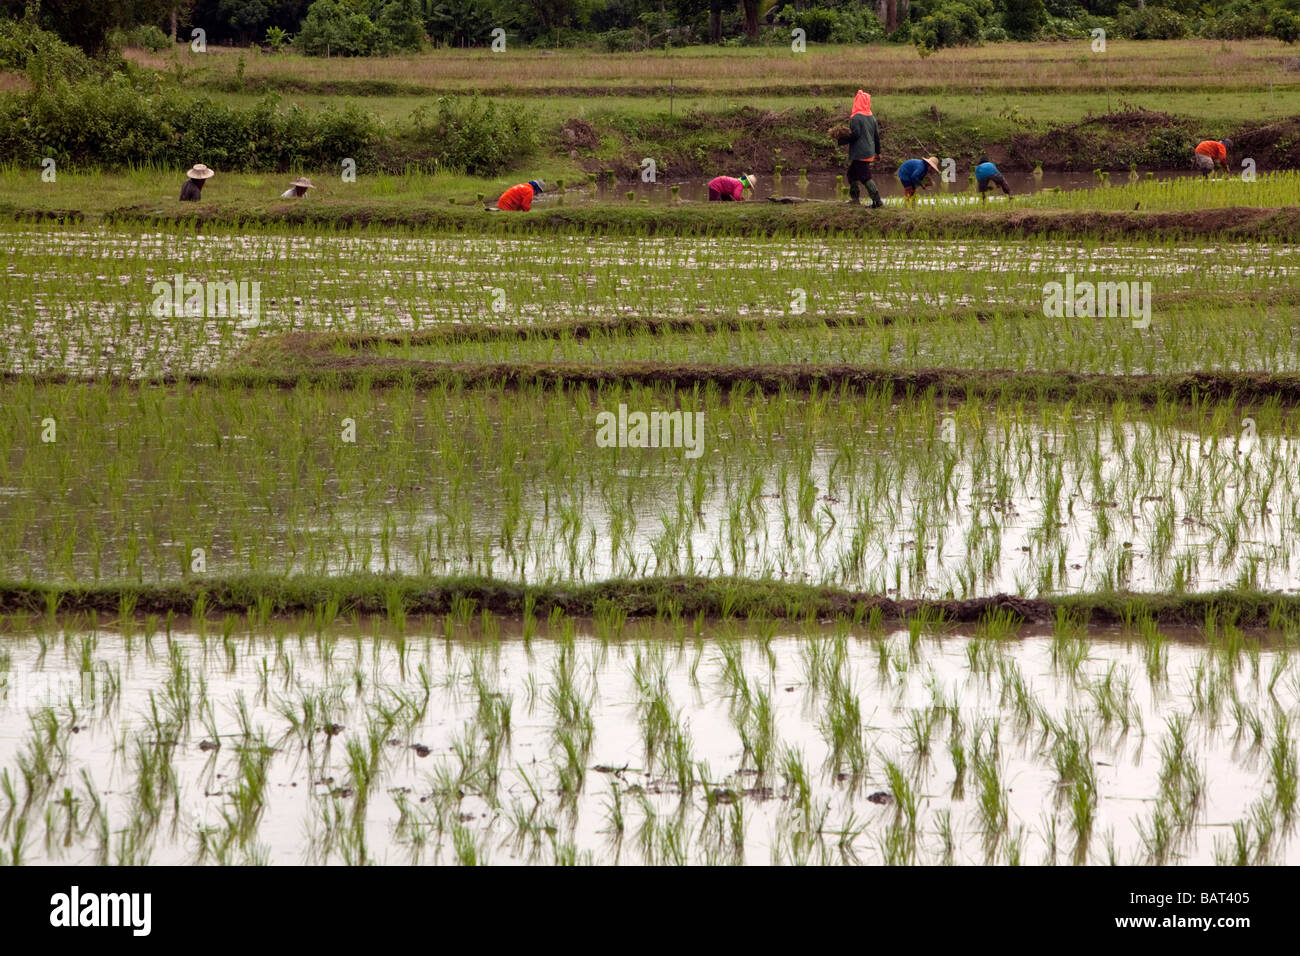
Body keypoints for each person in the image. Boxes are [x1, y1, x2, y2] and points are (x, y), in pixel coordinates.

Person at [845, 90, 883, 208]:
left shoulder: (856, 117)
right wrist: (878, 152)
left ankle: (877, 201)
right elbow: (876, 137)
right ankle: (855, 199)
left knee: (865, 176)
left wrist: (842, 139)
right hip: (868, 151)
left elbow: (855, 135)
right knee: (851, 174)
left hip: (860, 152)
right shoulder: (871, 117)